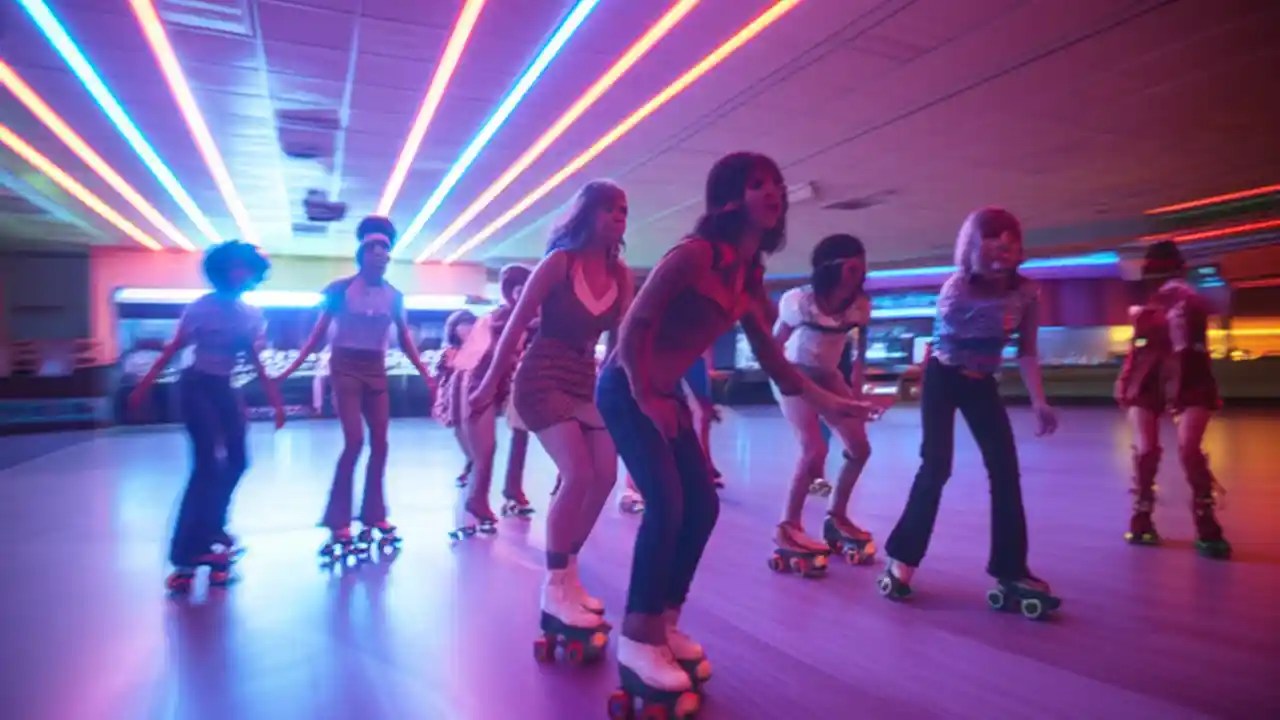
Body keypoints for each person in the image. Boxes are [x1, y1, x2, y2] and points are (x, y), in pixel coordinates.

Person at [597, 152, 871, 704]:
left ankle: (664, 621)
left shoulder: (749, 278)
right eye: (757, 184)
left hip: (663, 392)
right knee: (668, 505)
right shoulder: (693, 256)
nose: (772, 192)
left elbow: (777, 363)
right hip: (627, 390)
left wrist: (835, 402)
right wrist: (648, 394)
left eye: (775, 184)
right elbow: (634, 329)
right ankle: (637, 638)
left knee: (703, 506)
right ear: (728, 199)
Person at [473, 180, 631, 650]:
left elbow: (619, 344)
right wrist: (486, 385)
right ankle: (554, 586)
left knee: (605, 475)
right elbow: (517, 326)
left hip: (586, 380)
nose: (618, 216)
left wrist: (632, 392)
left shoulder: (621, 274)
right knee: (577, 473)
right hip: (541, 376)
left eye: (623, 209)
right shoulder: (558, 264)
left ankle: (569, 572)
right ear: (586, 214)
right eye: (608, 208)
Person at [878, 208, 1060, 614]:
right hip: (944, 377)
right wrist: (995, 278)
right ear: (974, 249)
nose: (1004, 254)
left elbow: (1026, 351)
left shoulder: (1028, 293)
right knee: (936, 466)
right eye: (994, 244)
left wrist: (1039, 400)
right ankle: (903, 557)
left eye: (1011, 244)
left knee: (1006, 470)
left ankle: (1010, 569)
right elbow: (969, 331)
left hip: (983, 382)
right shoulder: (956, 289)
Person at [128, 240, 283, 593]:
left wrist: (273, 399)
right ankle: (185, 550)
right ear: (223, 270)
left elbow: (254, 360)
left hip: (224, 387)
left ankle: (214, 525)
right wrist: (144, 385)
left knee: (239, 460)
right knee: (207, 465)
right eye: (235, 267)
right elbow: (175, 347)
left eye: (246, 269)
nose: (241, 274)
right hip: (195, 385)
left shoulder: (251, 315)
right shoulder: (201, 308)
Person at [277, 216, 431, 556]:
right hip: (344, 366)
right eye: (372, 248)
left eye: (385, 249)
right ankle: (339, 519)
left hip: (375, 368)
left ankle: (374, 514)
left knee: (381, 443)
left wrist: (427, 374)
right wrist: (289, 371)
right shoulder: (339, 289)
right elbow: (318, 336)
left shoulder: (394, 295)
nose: (379, 253)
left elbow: (404, 338)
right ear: (361, 253)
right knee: (354, 441)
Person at [1115, 239, 1230, 558]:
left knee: (1189, 449)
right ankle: (1143, 518)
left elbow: (1211, 308)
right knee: (1148, 449)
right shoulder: (1146, 310)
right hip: (1149, 378)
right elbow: (1136, 351)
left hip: (1189, 377)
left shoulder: (1190, 302)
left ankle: (1206, 524)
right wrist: (1126, 381)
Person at [772, 233, 880, 567]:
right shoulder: (799, 302)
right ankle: (788, 526)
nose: (857, 276)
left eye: (861, 268)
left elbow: (859, 353)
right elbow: (774, 348)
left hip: (829, 374)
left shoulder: (859, 306)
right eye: (851, 268)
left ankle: (836, 516)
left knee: (860, 448)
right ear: (830, 269)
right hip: (793, 373)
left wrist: (855, 395)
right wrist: (788, 383)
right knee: (814, 449)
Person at [450, 264, 532, 534]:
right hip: (474, 380)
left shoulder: (521, 316)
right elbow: (504, 335)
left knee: (519, 432)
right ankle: (477, 500)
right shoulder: (503, 316)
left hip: (501, 381)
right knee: (485, 448)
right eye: (522, 289)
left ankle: (509, 488)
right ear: (512, 292)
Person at [435, 309, 477, 487]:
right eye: (463, 325)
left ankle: (475, 464)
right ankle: (471, 461)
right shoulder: (449, 352)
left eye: (470, 325)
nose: (467, 329)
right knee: (459, 429)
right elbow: (441, 373)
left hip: (473, 395)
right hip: (453, 395)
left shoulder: (480, 350)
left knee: (473, 429)